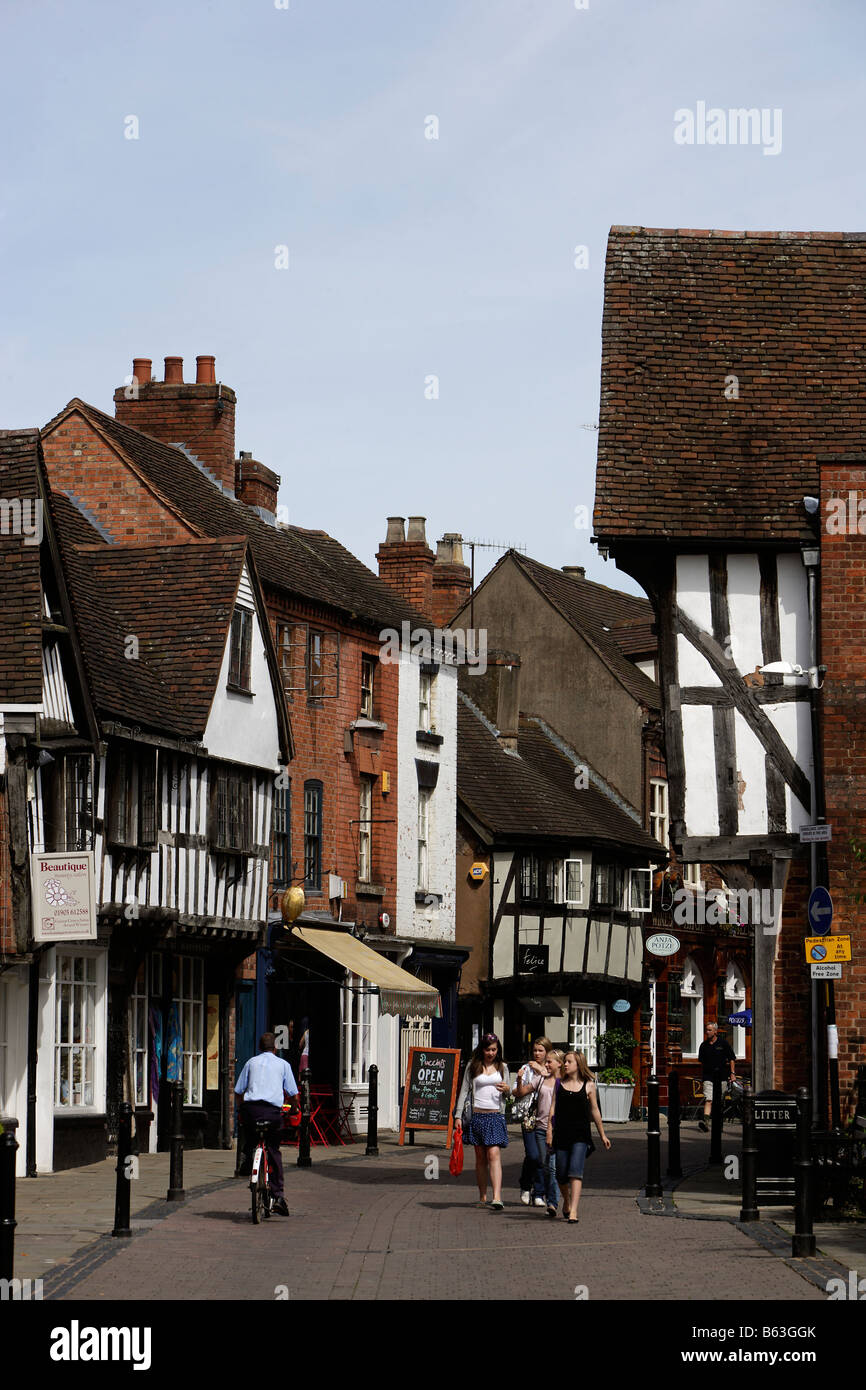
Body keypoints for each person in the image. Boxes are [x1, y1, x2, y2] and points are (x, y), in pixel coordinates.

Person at [235, 1032, 299, 1216]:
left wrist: (242, 1108)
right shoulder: (283, 1064)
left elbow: (239, 1091)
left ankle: (247, 1161)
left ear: (259, 1048)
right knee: (273, 1149)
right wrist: (294, 1108)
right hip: (272, 1113)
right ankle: (278, 1195)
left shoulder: (250, 1063)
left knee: (251, 1137)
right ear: (275, 1048)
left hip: (252, 1111)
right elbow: (293, 1094)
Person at [546, 1050, 610, 1223]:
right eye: (564, 1061)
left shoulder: (589, 1085)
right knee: (560, 1174)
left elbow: (595, 1110)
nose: (565, 1064)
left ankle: (573, 1211)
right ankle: (566, 1200)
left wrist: (602, 1134)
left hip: (581, 1135)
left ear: (578, 1064)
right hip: (561, 1134)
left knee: (575, 1171)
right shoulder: (558, 1084)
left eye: (569, 1062)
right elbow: (552, 1109)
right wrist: (549, 1132)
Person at [453, 1033, 511, 1210]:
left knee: (493, 1154)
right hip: (477, 1116)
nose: (491, 1053)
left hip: (495, 1116)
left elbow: (509, 1095)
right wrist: (458, 1116)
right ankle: (483, 1196)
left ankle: (497, 1197)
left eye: (494, 1049)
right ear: (482, 1049)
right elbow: (464, 1091)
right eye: (488, 1049)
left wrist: (507, 1089)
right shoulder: (473, 1066)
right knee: (480, 1158)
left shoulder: (503, 1067)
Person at [513, 1036, 552, 1205]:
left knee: (544, 1157)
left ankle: (539, 1193)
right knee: (533, 1155)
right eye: (535, 1050)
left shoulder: (553, 1069)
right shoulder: (526, 1069)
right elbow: (516, 1092)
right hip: (529, 1117)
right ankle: (526, 1185)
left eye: (540, 1050)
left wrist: (542, 1071)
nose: (537, 1053)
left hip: (546, 1117)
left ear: (547, 1052)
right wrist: (522, 1079)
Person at [697, 1021, 736, 1131]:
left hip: (722, 1077)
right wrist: (703, 1077)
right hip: (708, 1077)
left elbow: (732, 1059)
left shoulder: (723, 1044)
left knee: (719, 1102)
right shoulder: (703, 1046)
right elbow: (702, 1063)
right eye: (706, 1030)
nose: (707, 1032)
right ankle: (705, 1123)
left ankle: (719, 1124)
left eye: (709, 1030)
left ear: (715, 1031)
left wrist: (732, 1073)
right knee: (708, 1099)